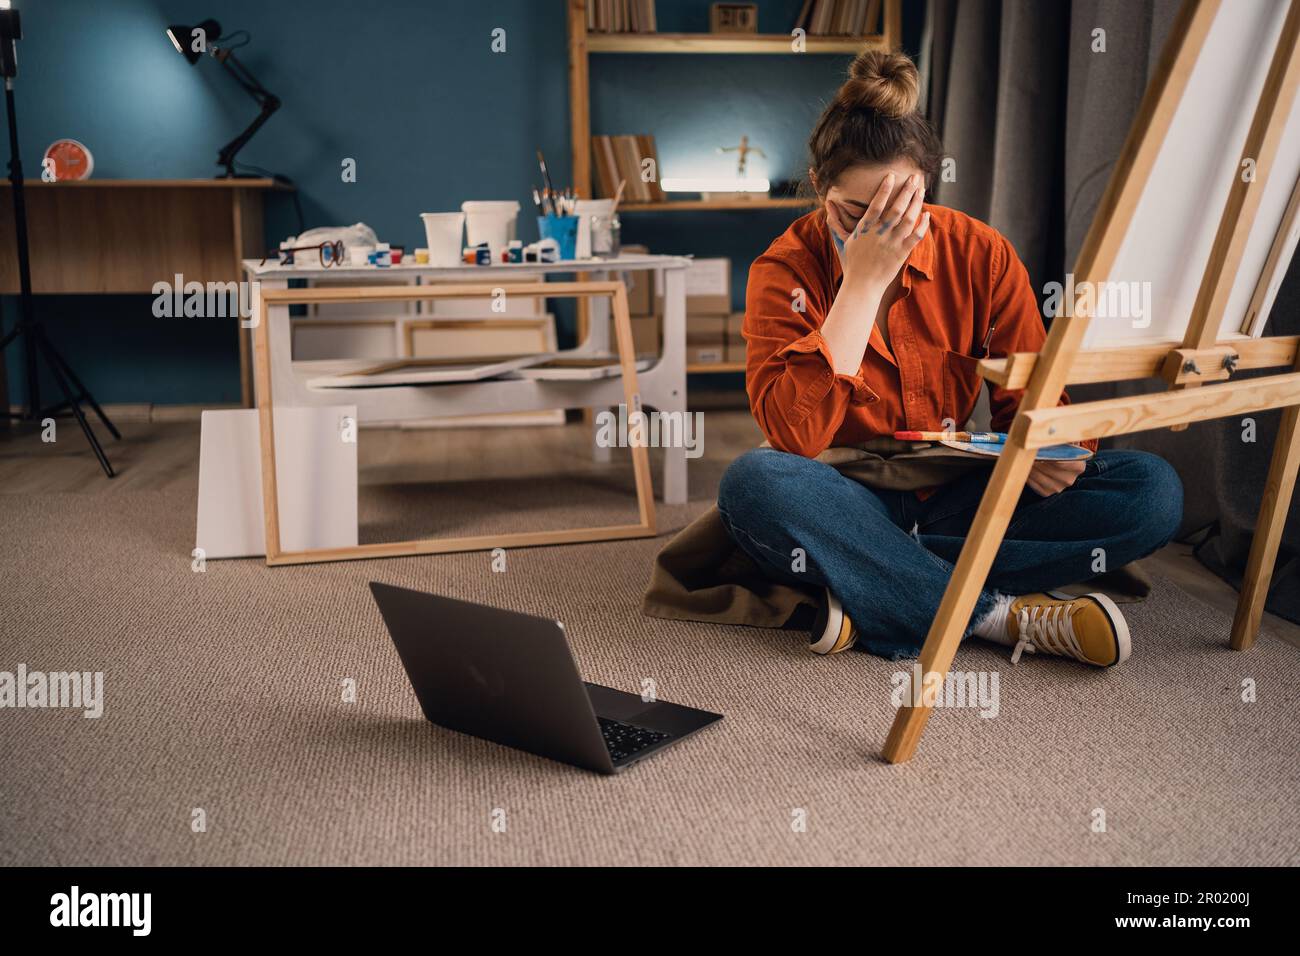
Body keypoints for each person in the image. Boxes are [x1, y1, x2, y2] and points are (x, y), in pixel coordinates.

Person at [716, 49, 1183, 667]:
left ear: (926, 189)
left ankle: (876, 582)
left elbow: (1038, 402)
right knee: (756, 485)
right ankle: (997, 614)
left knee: (1151, 491)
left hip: (958, 487)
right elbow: (794, 437)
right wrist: (860, 285)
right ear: (818, 185)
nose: (880, 232)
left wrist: (1049, 449)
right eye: (857, 213)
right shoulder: (784, 270)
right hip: (845, 490)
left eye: (902, 209)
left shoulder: (981, 254)